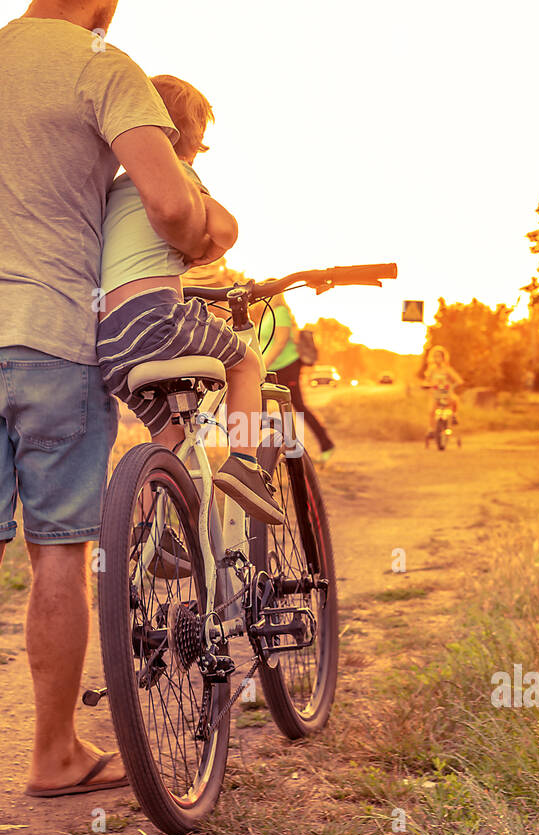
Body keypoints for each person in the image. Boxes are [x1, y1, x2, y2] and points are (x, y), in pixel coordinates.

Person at [0, 0, 220, 828]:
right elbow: (168, 206)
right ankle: (53, 754)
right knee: (59, 549)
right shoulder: (102, 65)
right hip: (49, 336)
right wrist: (206, 237)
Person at [97, 75, 284, 525]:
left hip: (109, 344)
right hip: (156, 318)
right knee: (246, 364)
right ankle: (245, 463)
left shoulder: (113, 190)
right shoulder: (174, 173)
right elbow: (225, 228)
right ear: (190, 141)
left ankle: (150, 536)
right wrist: (201, 250)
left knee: (170, 435)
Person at [258, 296, 337, 464]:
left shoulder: (280, 312)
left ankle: (325, 444)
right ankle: (277, 448)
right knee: (258, 403)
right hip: (273, 367)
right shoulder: (268, 313)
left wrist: (262, 365)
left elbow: (280, 342)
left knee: (297, 406)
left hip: (287, 366)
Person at [421, 345, 464, 432]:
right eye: (435, 356)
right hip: (435, 394)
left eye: (439, 356)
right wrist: (426, 385)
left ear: (443, 358)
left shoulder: (447, 369)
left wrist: (453, 386)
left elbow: (459, 380)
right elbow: (426, 381)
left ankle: (454, 416)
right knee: (431, 410)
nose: (437, 359)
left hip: (446, 393)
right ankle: (431, 429)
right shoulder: (432, 370)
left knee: (455, 400)